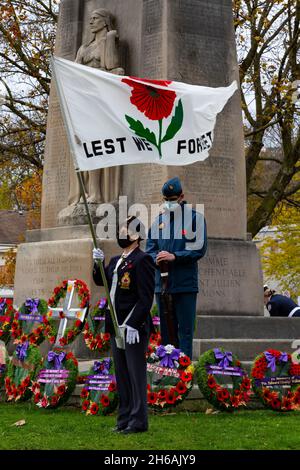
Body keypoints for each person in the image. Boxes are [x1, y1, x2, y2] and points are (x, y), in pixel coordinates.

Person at [93, 216, 155, 434]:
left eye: (125, 230)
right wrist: (97, 263)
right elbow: (102, 281)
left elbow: (146, 298)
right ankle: (124, 419)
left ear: (136, 236)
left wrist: (133, 324)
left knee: (135, 374)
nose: (120, 233)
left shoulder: (143, 260)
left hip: (133, 328)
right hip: (116, 325)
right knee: (122, 374)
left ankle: (138, 421)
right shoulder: (117, 260)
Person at [146, 176, 207, 359]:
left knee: (185, 331)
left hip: (184, 284)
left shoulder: (195, 219)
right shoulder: (158, 221)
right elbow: (150, 248)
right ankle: (168, 370)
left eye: (172, 200)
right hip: (162, 284)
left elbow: (199, 248)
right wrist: (156, 258)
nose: (168, 203)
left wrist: (175, 256)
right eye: (166, 200)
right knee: (166, 332)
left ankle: (184, 373)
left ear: (181, 197)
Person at [68, 8, 124, 206]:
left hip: (101, 99)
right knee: (84, 146)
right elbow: (72, 73)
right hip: (85, 99)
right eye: (90, 19)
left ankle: (97, 194)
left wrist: (109, 40)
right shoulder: (83, 49)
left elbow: (112, 65)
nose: (91, 22)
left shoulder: (108, 39)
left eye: (95, 19)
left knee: (97, 146)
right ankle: (86, 193)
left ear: (105, 21)